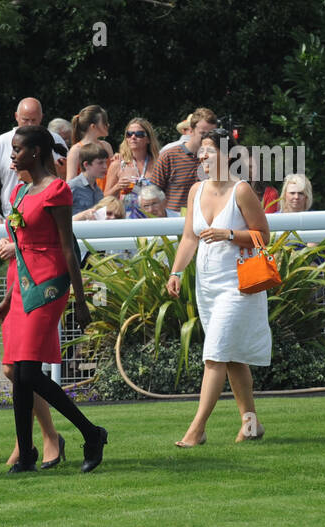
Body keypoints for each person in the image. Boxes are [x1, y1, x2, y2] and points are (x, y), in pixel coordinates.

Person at [0, 125, 108, 474]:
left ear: (36, 152)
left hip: (50, 284)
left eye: (18, 149)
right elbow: (21, 250)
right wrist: (8, 297)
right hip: (21, 285)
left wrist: (82, 300)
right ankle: (27, 454)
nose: (13, 155)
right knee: (20, 373)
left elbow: (68, 247)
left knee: (28, 372)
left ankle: (91, 432)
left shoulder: (56, 190)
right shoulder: (21, 192)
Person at [166, 131, 272, 447]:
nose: (202, 158)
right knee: (232, 357)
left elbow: (263, 236)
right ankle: (251, 425)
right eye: (201, 153)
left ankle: (197, 429)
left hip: (239, 285)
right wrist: (176, 270)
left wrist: (229, 233)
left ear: (228, 156)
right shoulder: (196, 190)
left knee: (215, 354)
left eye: (209, 152)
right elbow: (189, 237)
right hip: (208, 285)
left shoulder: (241, 191)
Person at [0, 99, 68, 221]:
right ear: (16, 116)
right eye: (25, 120)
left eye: (33, 120)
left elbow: (67, 178)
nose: (29, 124)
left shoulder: (55, 141)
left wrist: (62, 172)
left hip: (49, 212)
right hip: (14, 214)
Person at [154, 107, 218, 213]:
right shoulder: (169, 156)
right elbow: (153, 192)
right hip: (174, 222)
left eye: (212, 134)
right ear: (191, 131)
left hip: (207, 219)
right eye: (203, 133)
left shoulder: (218, 157)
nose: (207, 138)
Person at [104, 117, 161, 217]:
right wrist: (118, 186)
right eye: (129, 134)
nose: (133, 137)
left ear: (148, 139)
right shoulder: (118, 164)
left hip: (153, 218)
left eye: (139, 134)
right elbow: (105, 198)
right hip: (127, 221)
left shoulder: (158, 163)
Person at [64, 105, 112, 184]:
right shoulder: (76, 150)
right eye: (104, 122)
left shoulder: (106, 146)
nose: (108, 125)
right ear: (93, 126)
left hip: (106, 195)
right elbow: (70, 182)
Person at [68, 142, 109, 215]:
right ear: (86, 165)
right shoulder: (72, 187)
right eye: (100, 163)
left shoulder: (98, 191)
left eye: (105, 162)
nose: (105, 166)